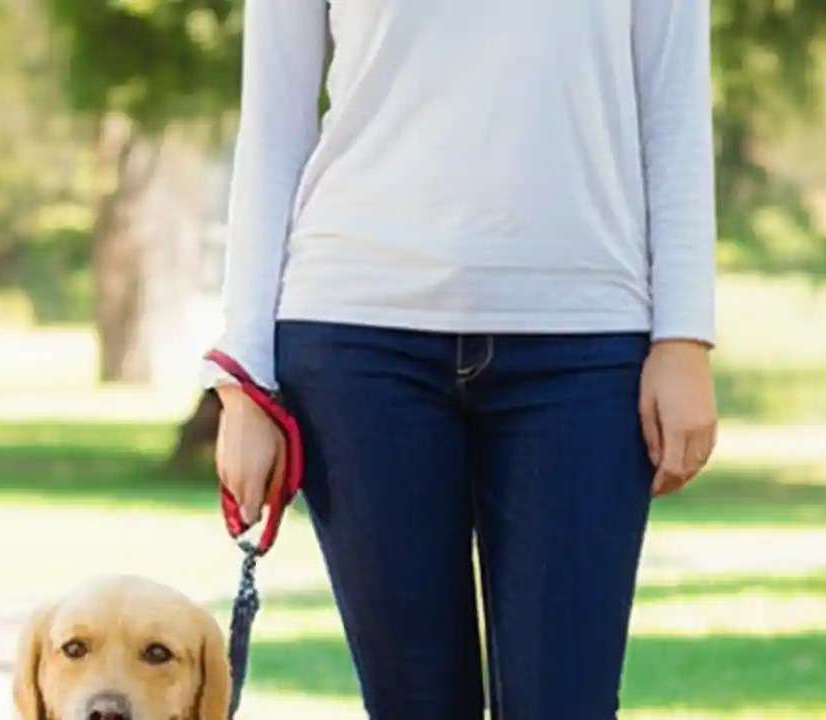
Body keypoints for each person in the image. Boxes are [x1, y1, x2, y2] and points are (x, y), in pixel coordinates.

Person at [203, 1, 718, 717]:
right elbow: (272, 130)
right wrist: (244, 382)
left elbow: (676, 117)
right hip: (358, 338)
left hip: (584, 342)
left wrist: (684, 337)